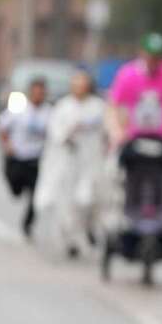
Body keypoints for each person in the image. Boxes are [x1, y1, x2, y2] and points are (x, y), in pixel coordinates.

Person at [34, 69, 106, 257]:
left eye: (82, 83)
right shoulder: (63, 107)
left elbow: (107, 132)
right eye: (76, 83)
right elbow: (56, 135)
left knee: (87, 200)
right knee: (66, 204)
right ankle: (70, 241)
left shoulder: (98, 107)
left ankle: (87, 231)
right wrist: (70, 132)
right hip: (67, 165)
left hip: (90, 163)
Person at [105, 32, 162, 169]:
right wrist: (116, 131)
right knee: (114, 163)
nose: (153, 61)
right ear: (142, 53)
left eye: (157, 57)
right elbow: (113, 105)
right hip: (132, 136)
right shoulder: (128, 74)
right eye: (150, 56)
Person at [0, 78, 50, 238]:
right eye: (36, 92)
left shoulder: (49, 112)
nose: (38, 95)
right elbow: (2, 127)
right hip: (17, 158)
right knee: (16, 189)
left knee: (36, 195)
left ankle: (28, 224)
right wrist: (8, 146)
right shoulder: (19, 109)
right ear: (30, 92)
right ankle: (17, 187)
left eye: (42, 92)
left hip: (37, 160)